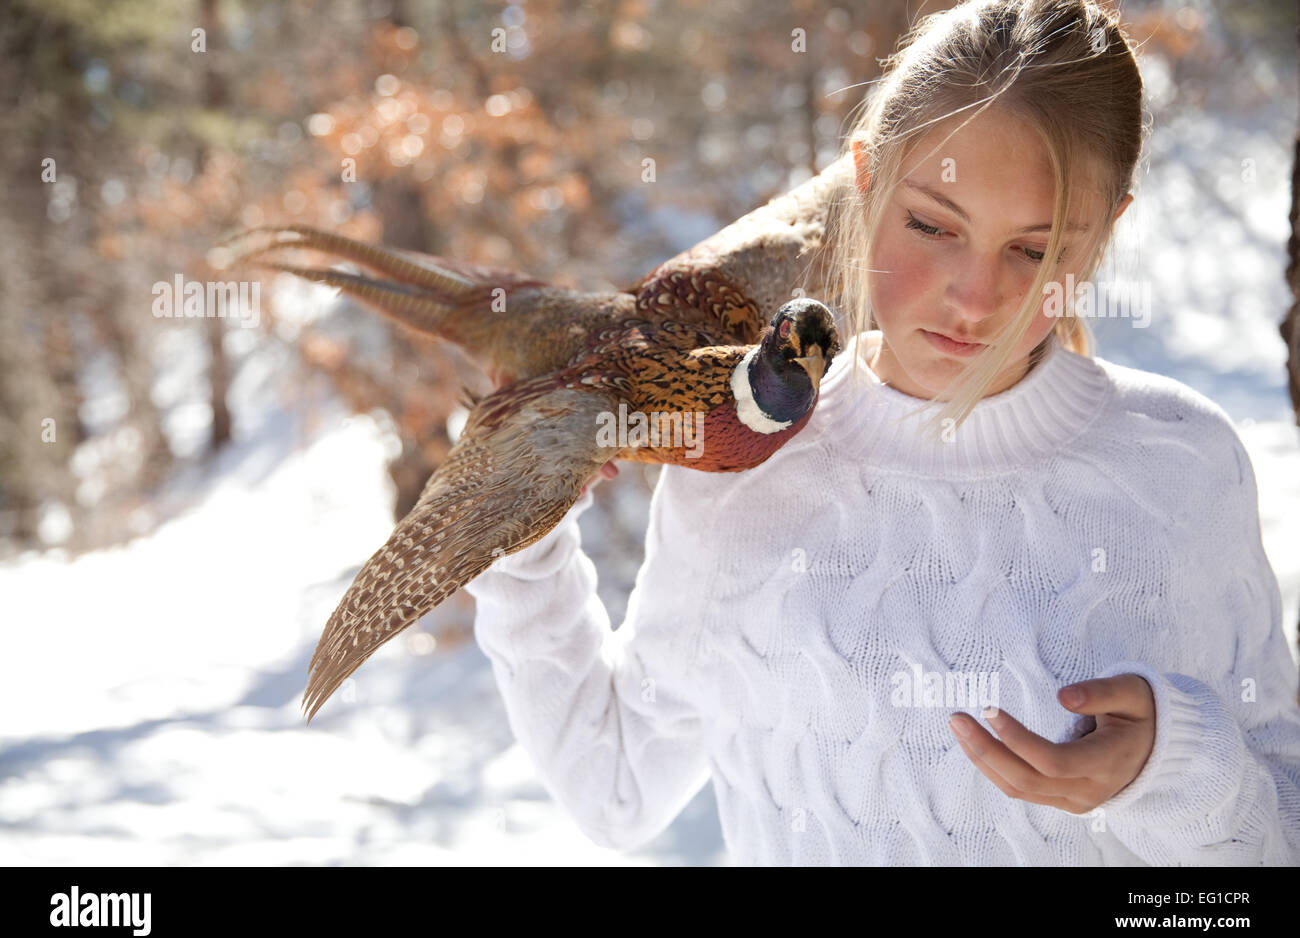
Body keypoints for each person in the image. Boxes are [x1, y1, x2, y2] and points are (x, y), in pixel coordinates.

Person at [464, 0, 1300, 865]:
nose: (974, 300)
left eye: (1034, 251)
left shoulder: (1180, 468)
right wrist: (518, 534)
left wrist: (1170, 765)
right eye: (933, 226)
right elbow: (618, 789)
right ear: (865, 180)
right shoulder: (744, 461)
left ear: (1106, 232)